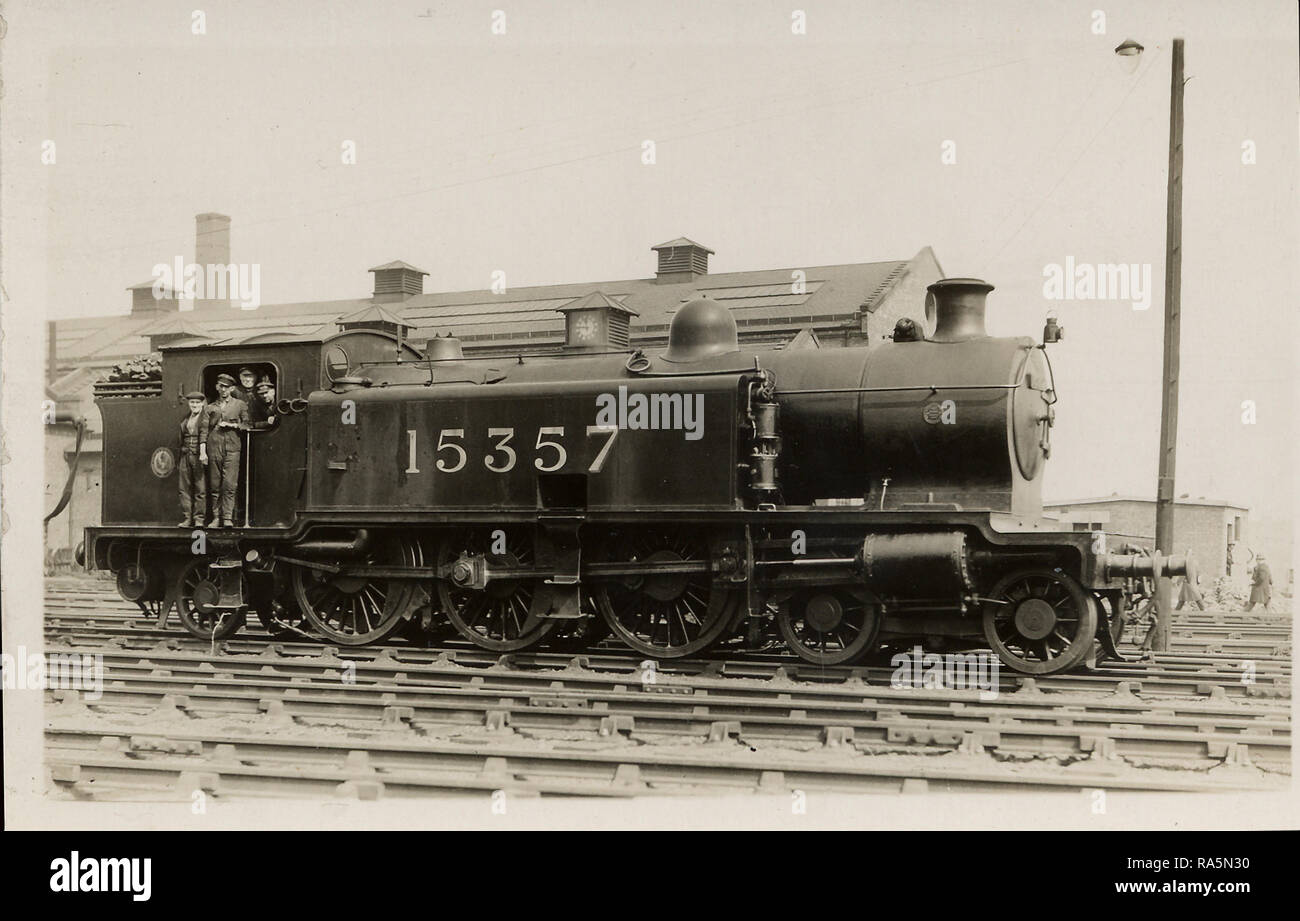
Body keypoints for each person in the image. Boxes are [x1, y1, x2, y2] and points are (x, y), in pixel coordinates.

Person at [205, 373, 249, 528]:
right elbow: (204, 428)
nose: (223, 390)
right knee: (215, 484)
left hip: (232, 448)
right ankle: (216, 518)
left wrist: (233, 426)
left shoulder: (240, 405)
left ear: (232, 388)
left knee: (230, 484)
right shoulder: (210, 407)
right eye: (220, 386)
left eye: (226, 387)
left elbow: (247, 424)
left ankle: (228, 517)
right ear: (217, 387)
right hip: (214, 447)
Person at [177, 391, 209, 526]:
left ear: (202, 404)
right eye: (192, 402)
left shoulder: (204, 418)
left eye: (197, 402)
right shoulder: (186, 418)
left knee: (200, 488)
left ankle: (199, 519)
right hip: (186, 455)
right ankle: (187, 518)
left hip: (198, 455)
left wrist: (203, 453)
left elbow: (204, 436)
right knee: (184, 488)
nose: (194, 405)